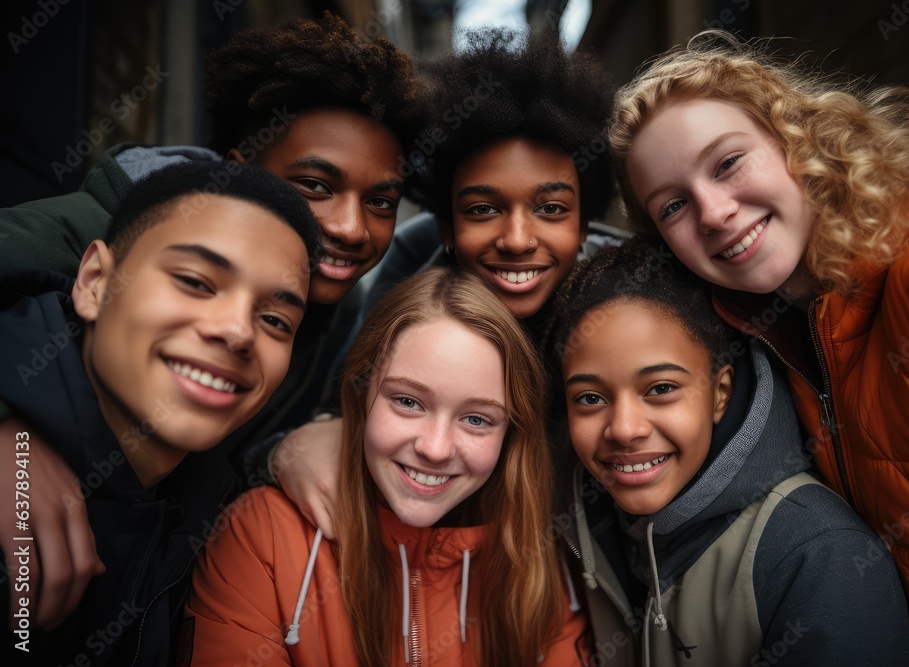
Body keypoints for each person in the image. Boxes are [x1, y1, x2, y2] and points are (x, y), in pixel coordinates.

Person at [0, 12, 426, 632]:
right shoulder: (104, 224)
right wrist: (12, 439)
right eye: (314, 185)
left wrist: (288, 447)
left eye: (381, 201)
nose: (350, 227)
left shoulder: (341, 317)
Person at [607, 31, 909, 663]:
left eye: (728, 163)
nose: (713, 212)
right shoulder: (775, 332)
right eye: (673, 205)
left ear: (801, 140)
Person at [271, 27, 625, 537]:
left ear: (584, 225)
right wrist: (304, 440)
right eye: (483, 209)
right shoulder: (401, 316)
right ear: (447, 230)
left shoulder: (625, 314)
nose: (517, 240)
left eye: (551, 209)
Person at [183, 268, 590, 666]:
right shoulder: (262, 535)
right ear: (363, 394)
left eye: (476, 419)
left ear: (511, 434)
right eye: (408, 402)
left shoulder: (542, 566)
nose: (435, 449)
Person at [0, 161, 318, 666]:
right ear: (95, 282)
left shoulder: (216, 527)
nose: (238, 331)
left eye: (276, 320)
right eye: (195, 282)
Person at [552, 238, 909, 665]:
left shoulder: (821, 556)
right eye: (590, 398)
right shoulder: (582, 514)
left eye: (661, 388)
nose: (624, 430)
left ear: (720, 393)